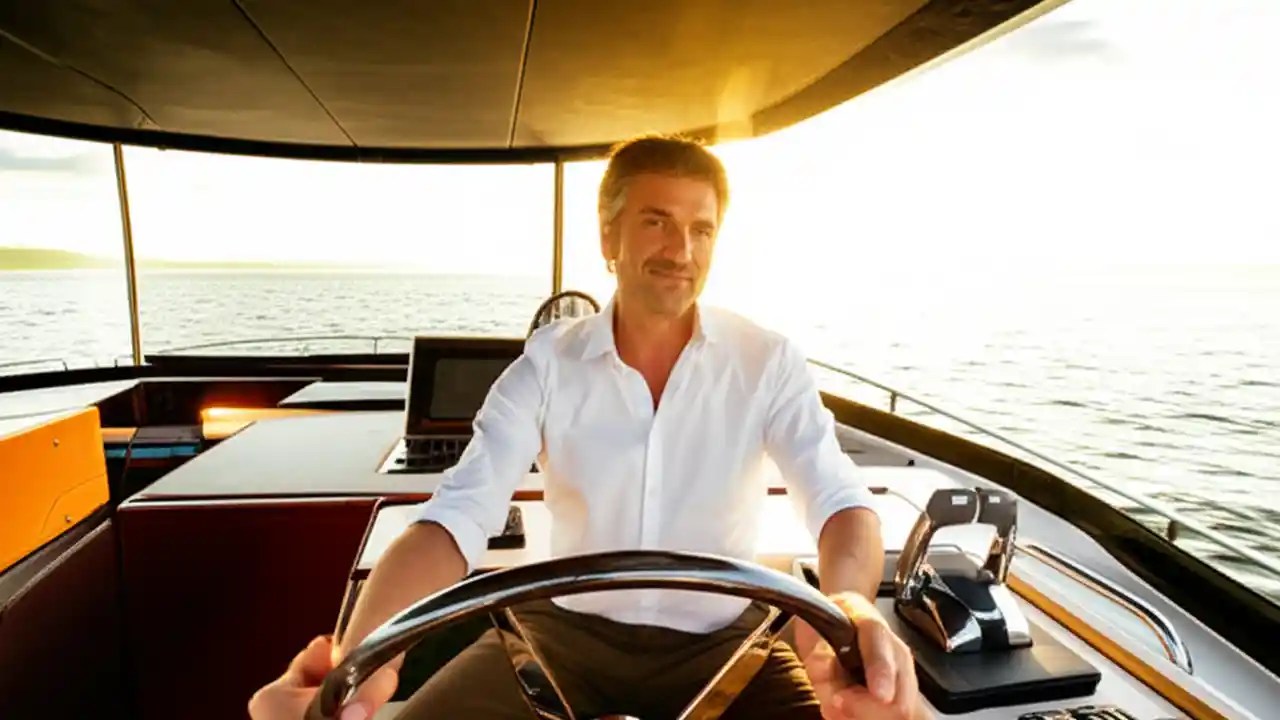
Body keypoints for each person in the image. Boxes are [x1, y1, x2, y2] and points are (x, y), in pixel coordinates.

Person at [250, 135, 923, 720]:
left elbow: (841, 503)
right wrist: (364, 662)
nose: (681, 249)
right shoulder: (547, 364)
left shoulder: (767, 362)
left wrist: (849, 609)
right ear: (609, 237)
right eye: (656, 222)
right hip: (560, 632)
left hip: (730, 641)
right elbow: (455, 518)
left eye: (702, 229)